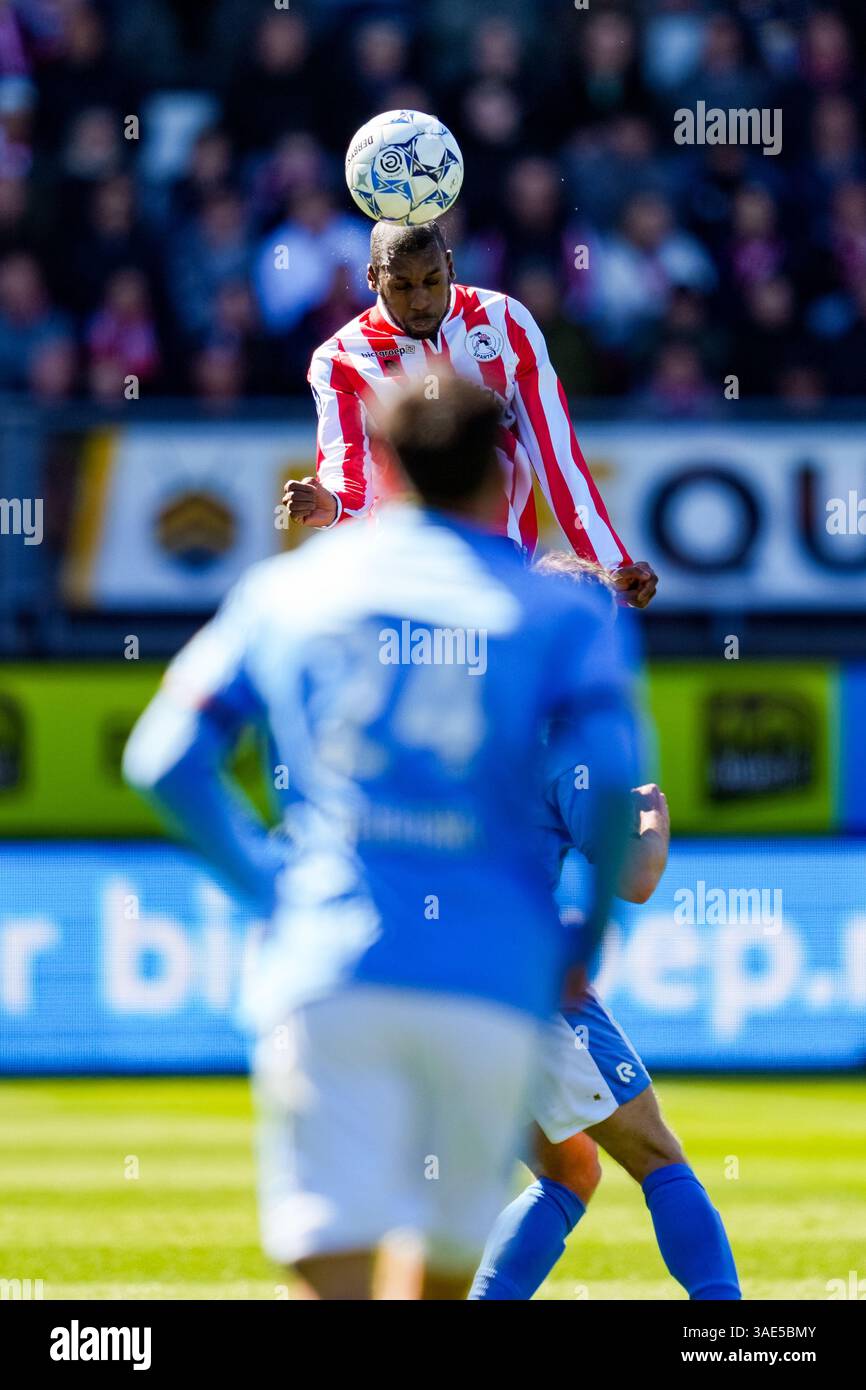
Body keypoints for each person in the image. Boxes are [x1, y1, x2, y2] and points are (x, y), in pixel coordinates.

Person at [123, 376, 642, 1300]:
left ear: (386, 466)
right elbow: (609, 791)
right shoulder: (562, 613)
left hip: (329, 969)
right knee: (439, 1275)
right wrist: (584, 939)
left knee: (331, 1272)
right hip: (494, 977)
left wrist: (273, 890)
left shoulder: (291, 588)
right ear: (501, 469)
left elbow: (163, 759)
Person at [470, 553, 740, 1302]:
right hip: (518, 970)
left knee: (571, 1169)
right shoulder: (570, 736)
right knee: (656, 1154)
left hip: (423, 966)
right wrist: (652, 813)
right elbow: (636, 878)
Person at [282, 218, 658, 608]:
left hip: (502, 561)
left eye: (432, 280)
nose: (420, 301)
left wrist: (612, 562)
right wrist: (332, 506)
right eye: (402, 286)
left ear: (450, 266)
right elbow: (347, 478)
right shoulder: (339, 359)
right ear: (373, 278)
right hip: (403, 575)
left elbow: (556, 454)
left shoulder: (506, 322)